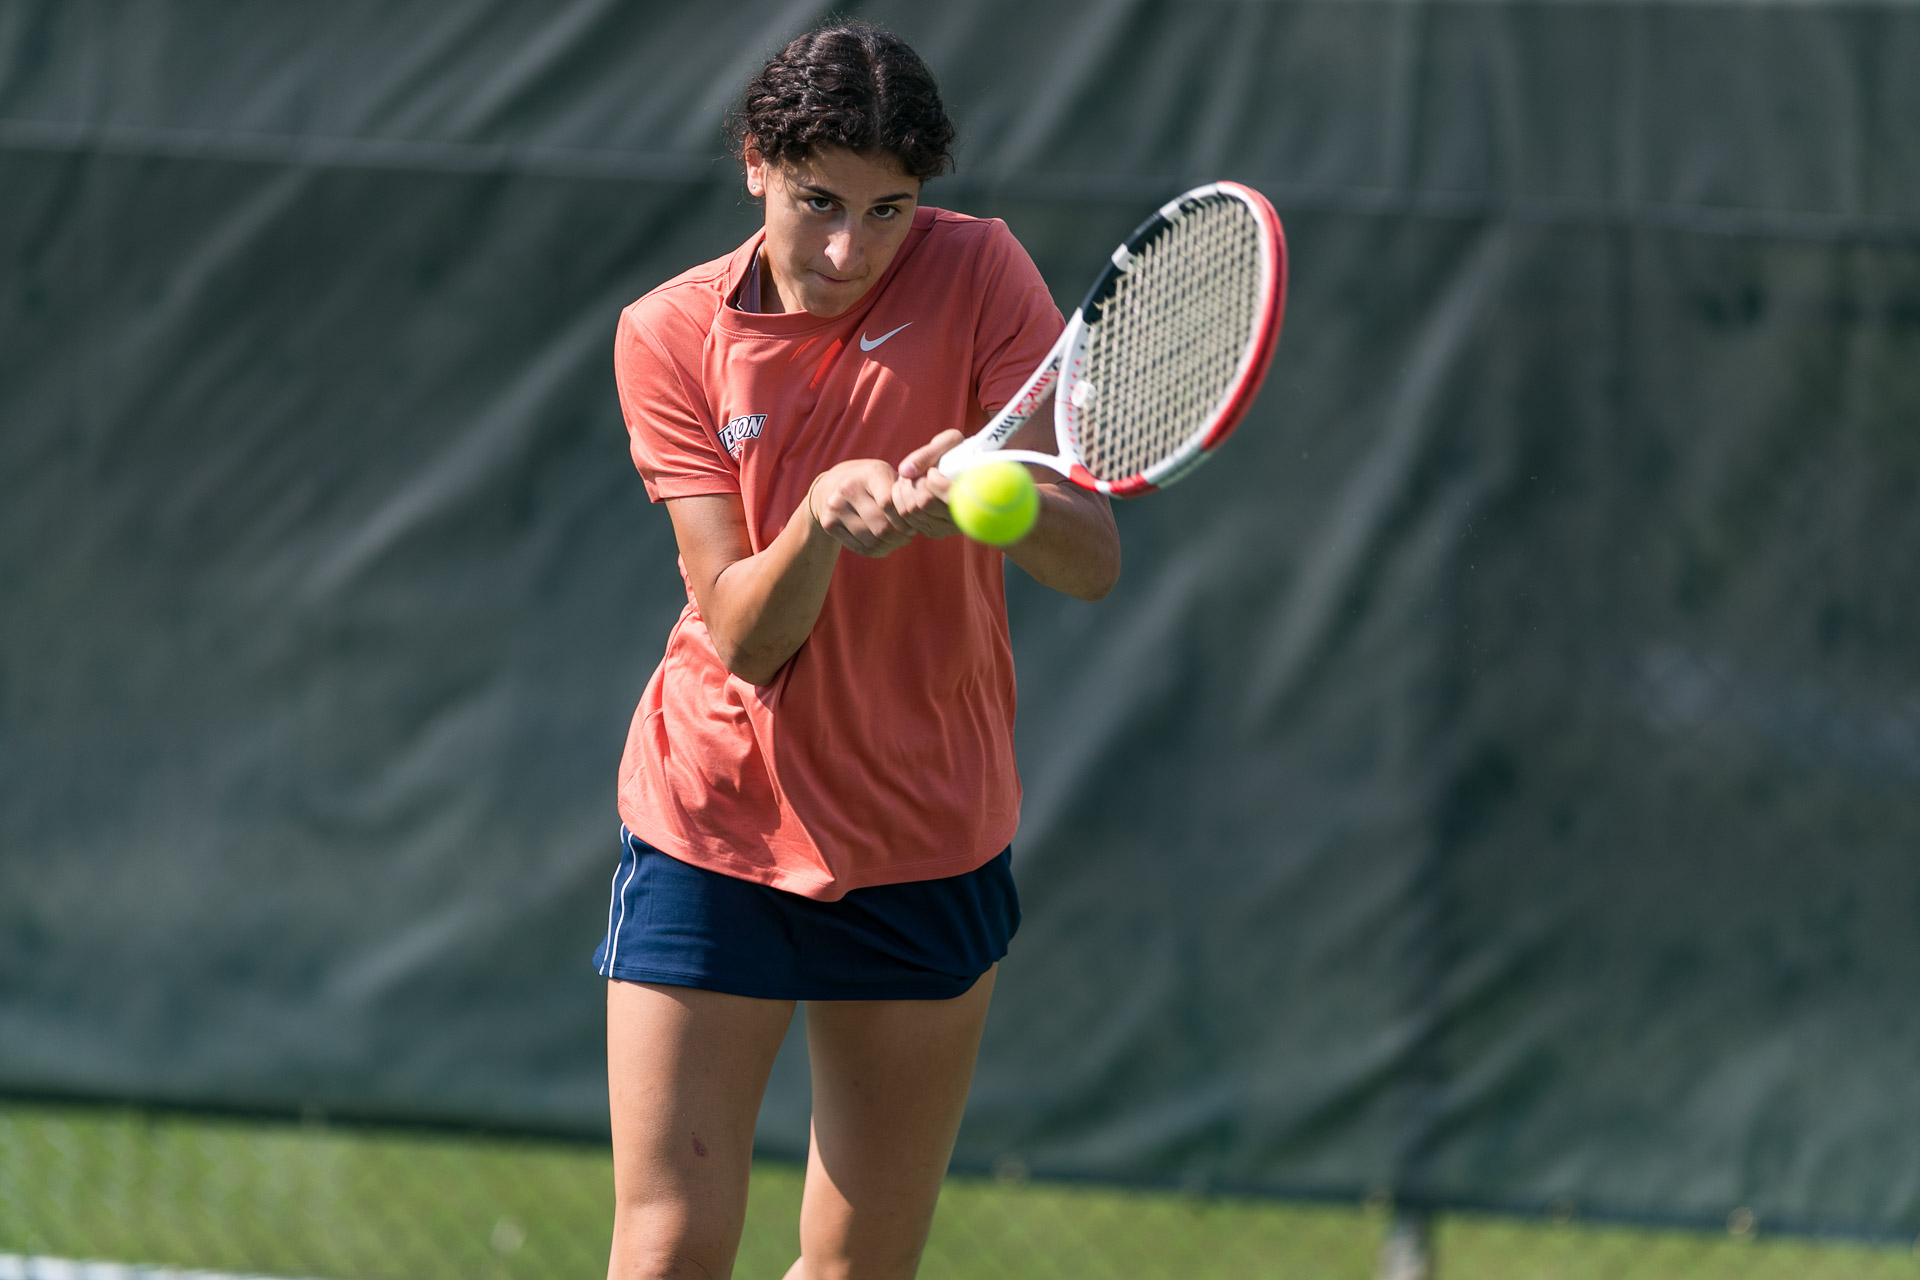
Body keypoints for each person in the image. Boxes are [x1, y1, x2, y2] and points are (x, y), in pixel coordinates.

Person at [595, 20, 1120, 1280]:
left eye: (888, 213)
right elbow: (741, 630)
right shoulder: (667, 335)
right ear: (755, 165)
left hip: (925, 822)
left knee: (859, 1266)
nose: (849, 251)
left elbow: (1090, 556)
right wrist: (826, 514)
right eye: (818, 201)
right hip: (713, 815)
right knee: (667, 1247)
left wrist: (995, 487)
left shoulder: (985, 273)